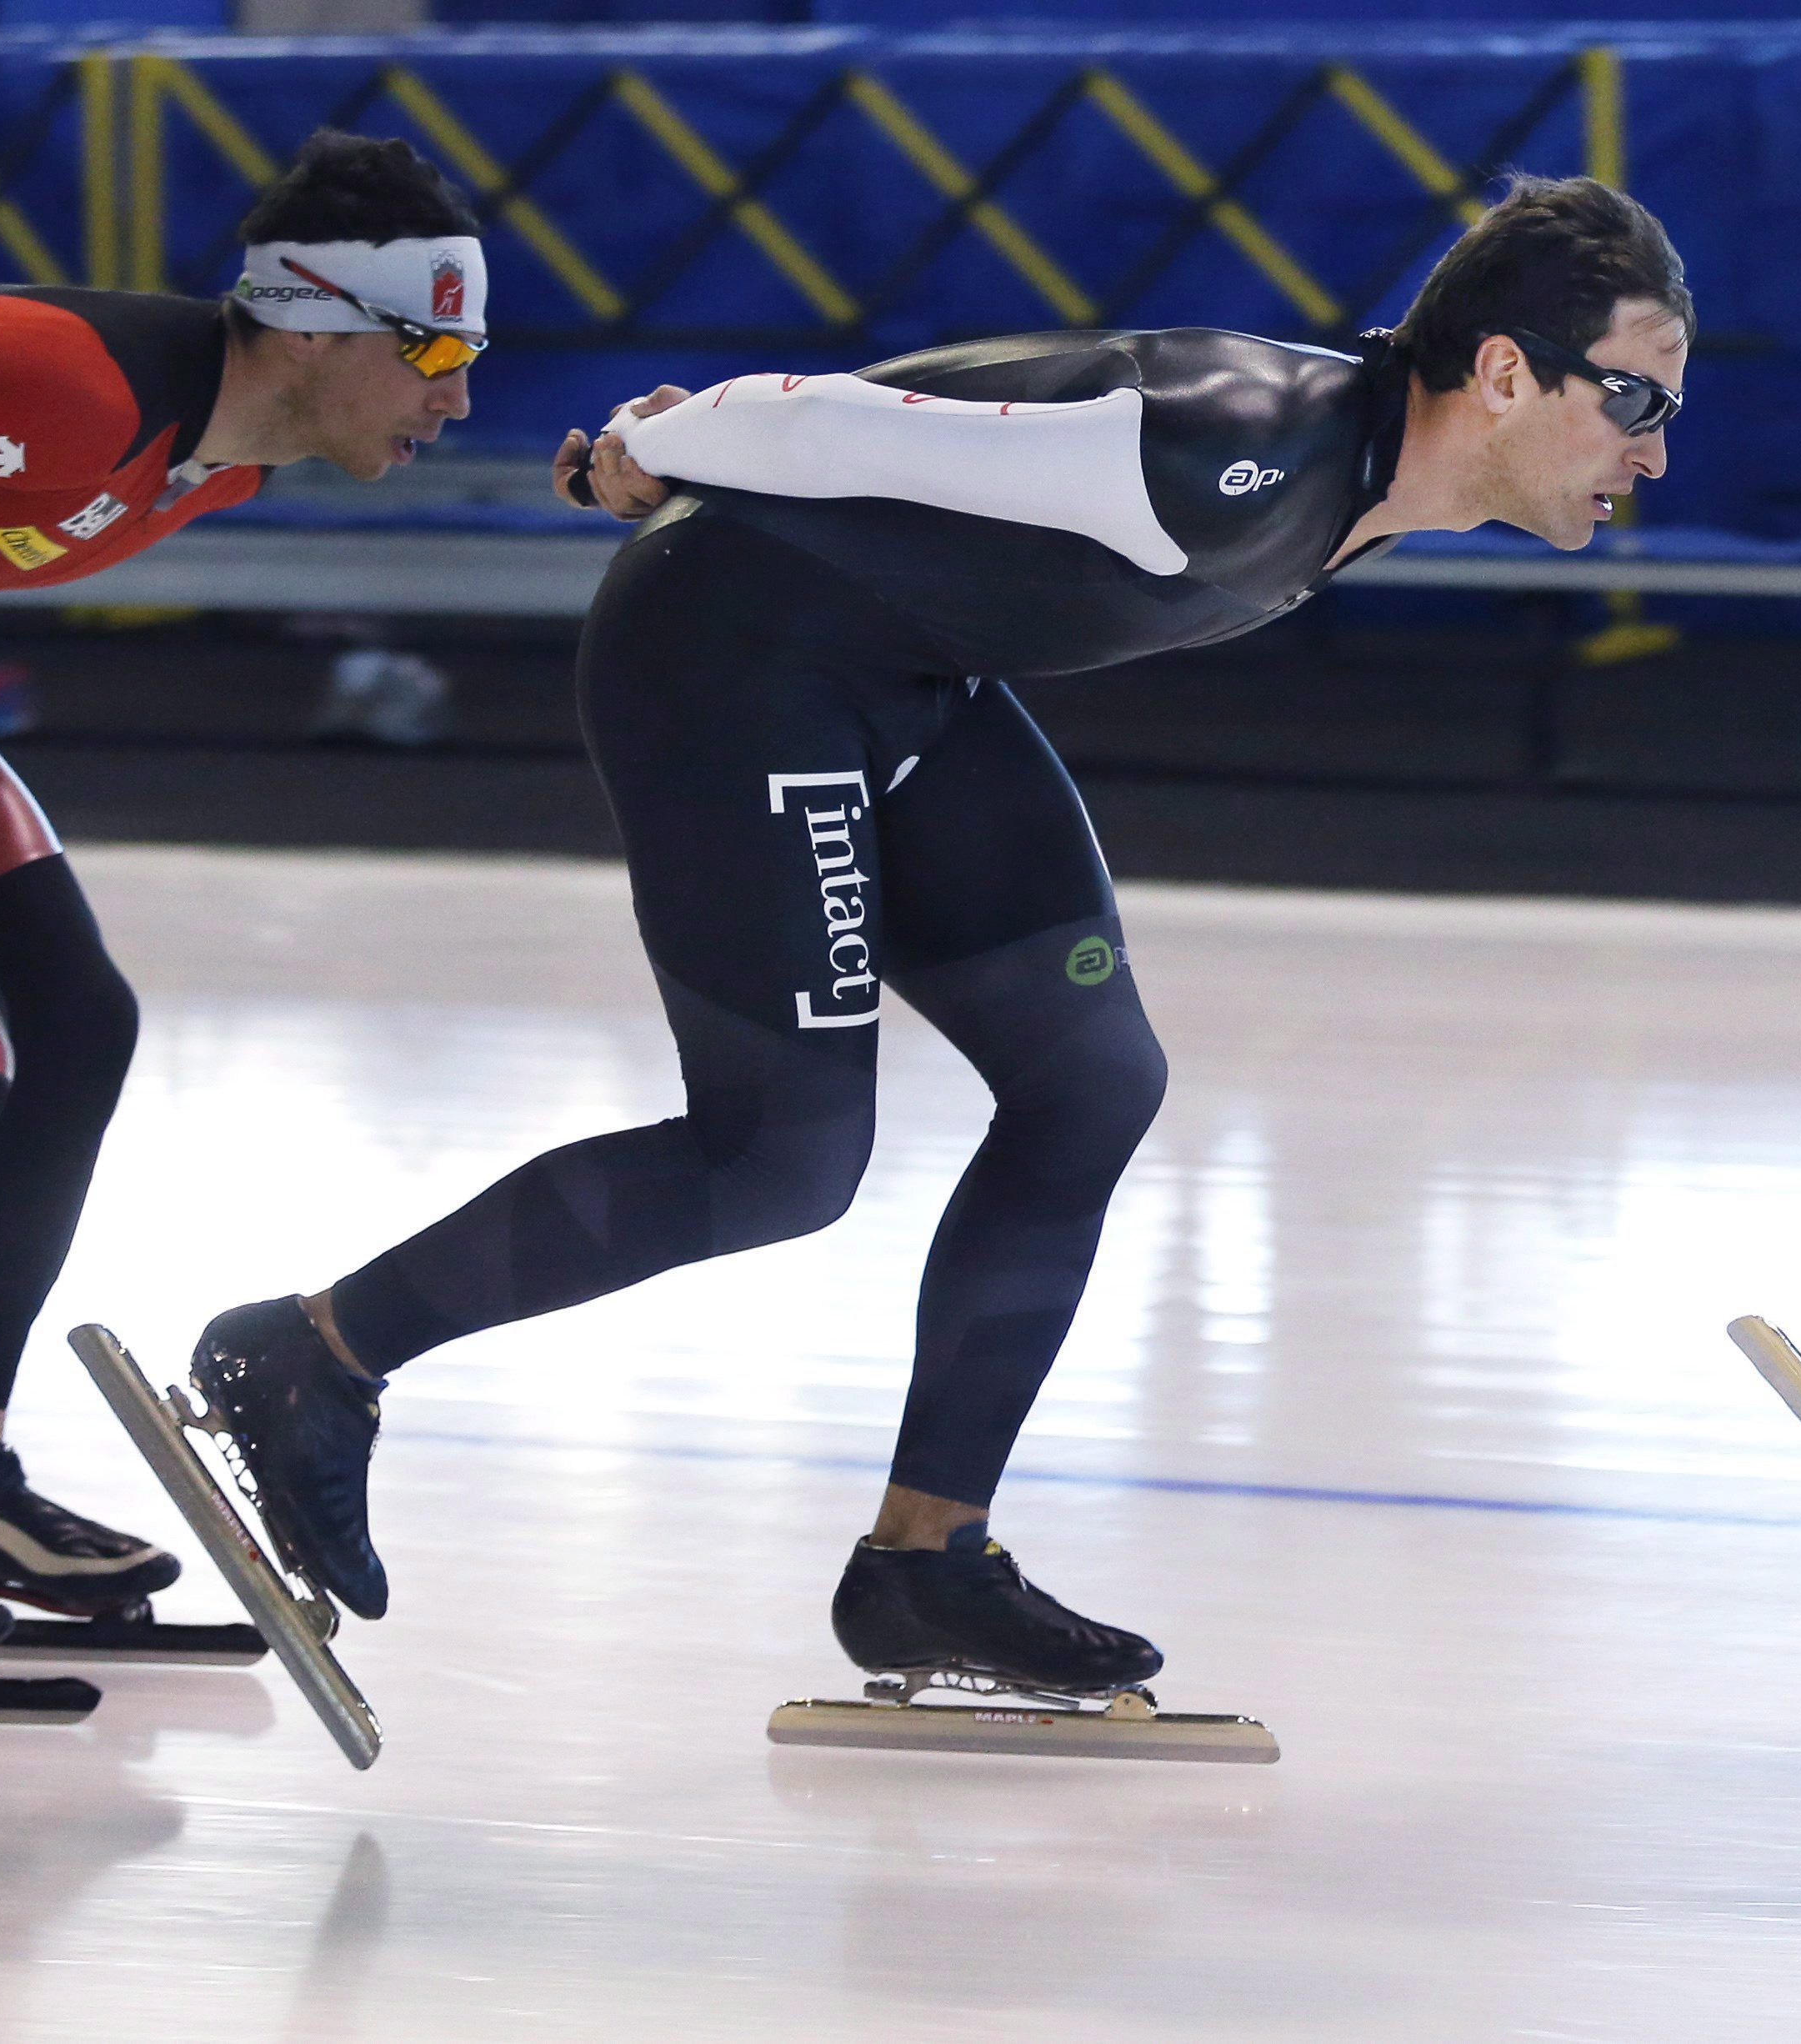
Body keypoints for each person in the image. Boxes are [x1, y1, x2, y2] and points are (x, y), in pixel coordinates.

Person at [186, 174, 1692, 1701]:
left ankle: (924, 1562)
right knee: (778, 1160)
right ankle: (312, 1353)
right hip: (737, 660)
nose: (1653, 445)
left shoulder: (1365, 472)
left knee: (1091, 1080)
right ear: (1504, 372)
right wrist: (647, 452)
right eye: (1635, 395)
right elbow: (840, 419)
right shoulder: (1243, 437)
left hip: (903, 679)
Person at [0, 132, 485, 1628]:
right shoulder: (57, 383)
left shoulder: (223, 467)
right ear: (313, 322)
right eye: (437, 348)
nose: (460, 396)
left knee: (72, 1027)